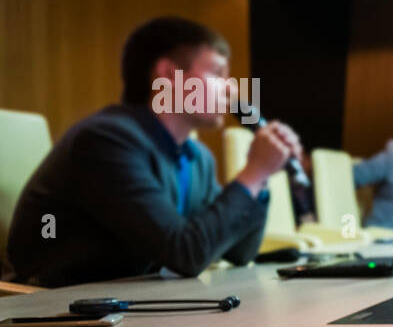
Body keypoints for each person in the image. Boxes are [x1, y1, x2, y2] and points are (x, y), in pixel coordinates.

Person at [5, 16, 294, 288]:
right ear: (169, 74)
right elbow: (185, 255)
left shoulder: (197, 157)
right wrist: (254, 172)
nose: (231, 90)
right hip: (57, 313)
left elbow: (240, 251)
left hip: (134, 303)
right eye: (218, 73)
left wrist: (261, 179)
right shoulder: (106, 141)